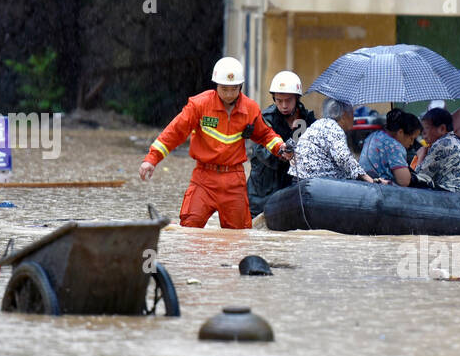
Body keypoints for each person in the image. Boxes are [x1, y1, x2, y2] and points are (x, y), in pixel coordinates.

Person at [139, 57, 291, 229]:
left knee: (238, 237)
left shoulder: (250, 109)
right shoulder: (199, 105)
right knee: (190, 230)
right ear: (216, 86)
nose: (228, 94)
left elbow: (265, 135)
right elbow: (175, 132)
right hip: (204, 178)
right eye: (223, 89)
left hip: (234, 180)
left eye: (233, 89)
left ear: (240, 87)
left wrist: (281, 148)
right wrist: (151, 159)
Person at [246, 70, 315, 216]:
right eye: (279, 100)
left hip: (292, 189)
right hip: (262, 193)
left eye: (288, 100)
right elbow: (262, 150)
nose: (284, 105)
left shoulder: (307, 119)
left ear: (297, 99)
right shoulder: (265, 119)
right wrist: (284, 155)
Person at [289, 98, 377, 182]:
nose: (353, 118)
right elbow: (343, 158)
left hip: (302, 179)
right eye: (352, 113)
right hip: (314, 182)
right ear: (344, 115)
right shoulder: (334, 128)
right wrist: (370, 180)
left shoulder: (322, 123)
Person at [412, 107, 460, 192]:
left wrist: (420, 156)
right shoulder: (455, 139)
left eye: (427, 128)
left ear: (442, 129)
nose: (424, 134)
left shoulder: (442, 144)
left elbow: (420, 177)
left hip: (459, 196)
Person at [360, 109, 421, 186]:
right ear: (400, 133)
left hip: (364, 185)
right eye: (412, 138)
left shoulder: (375, 135)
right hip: (383, 190)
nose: (412, 143)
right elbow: (404, 181)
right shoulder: (394, 147)